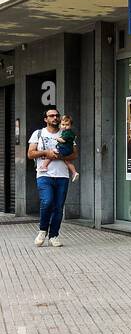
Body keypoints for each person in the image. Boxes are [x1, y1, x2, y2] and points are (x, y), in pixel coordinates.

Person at [27, 106, 77, 247]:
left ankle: (54, 235)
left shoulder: (66, 133)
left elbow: (74, 154)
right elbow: (30, 154)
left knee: (58, 207)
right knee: (47, 202)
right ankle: (43, 230)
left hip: (62, 176)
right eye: (51, 116)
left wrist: (60, 155)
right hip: (44, 175)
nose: (55, 117)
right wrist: (46, 153)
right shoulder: (38, 133)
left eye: (57, 115)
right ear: (45, 119)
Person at [58, 114, 80, 183]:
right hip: (68, 149)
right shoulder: (67, 132)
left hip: (65, 149)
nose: (64, 126)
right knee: (68, 161)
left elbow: (63, 140)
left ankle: (44, 166)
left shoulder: (67, 133)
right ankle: (74, 172)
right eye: (63, 124)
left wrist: (57, 138)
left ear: (71, 125)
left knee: (51, 153)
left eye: (67, 125)